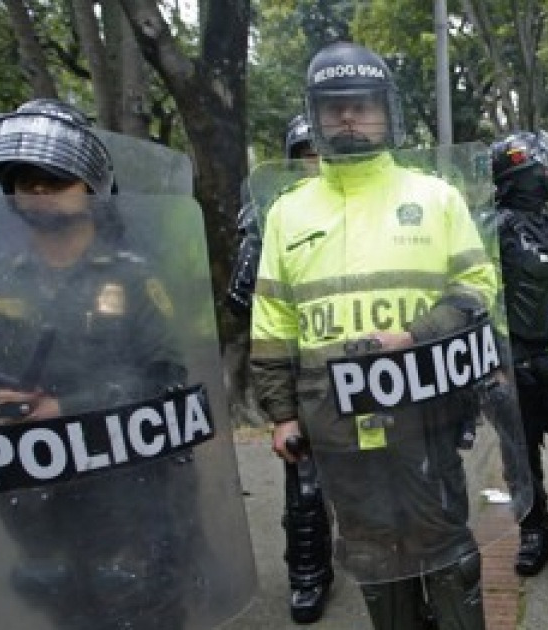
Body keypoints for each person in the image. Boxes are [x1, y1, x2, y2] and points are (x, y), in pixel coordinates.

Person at [250, 42, 512, 629]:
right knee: (372, 554)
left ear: (385, 112)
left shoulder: (434, 197)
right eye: (336, 106)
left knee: (445, 545)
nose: (348, 117)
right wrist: (281, 414)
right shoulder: (287, 213)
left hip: (426, 409)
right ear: (315, 115)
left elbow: (477, 287)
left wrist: (415, 335)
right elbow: (273, 324)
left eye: (362, 105)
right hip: (334, 419)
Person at [0, 98, 195, 629]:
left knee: (144, 605)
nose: (38, 192)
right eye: (24, 181)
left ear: (91, 189)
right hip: (35, 488)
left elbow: (166, 375)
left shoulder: (130, 277)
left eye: (55, 180)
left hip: (125, 481)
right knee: (64, 607)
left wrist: (69, 406)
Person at [228, 114, 333, 624]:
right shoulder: (270, 214)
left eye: (322, 152)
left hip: (359, 363)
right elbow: (243, 299)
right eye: (305, 154)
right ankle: (309, 574)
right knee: (305, 480)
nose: (315, 164)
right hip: (295, 364)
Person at [488, 130, 548, 576]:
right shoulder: (493, 229)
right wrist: (492, 363)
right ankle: (534, 531)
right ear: (518, 174)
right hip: (514, 356)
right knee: (521, 456)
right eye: (538, 170)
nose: (546, 178)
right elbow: (477, 299)